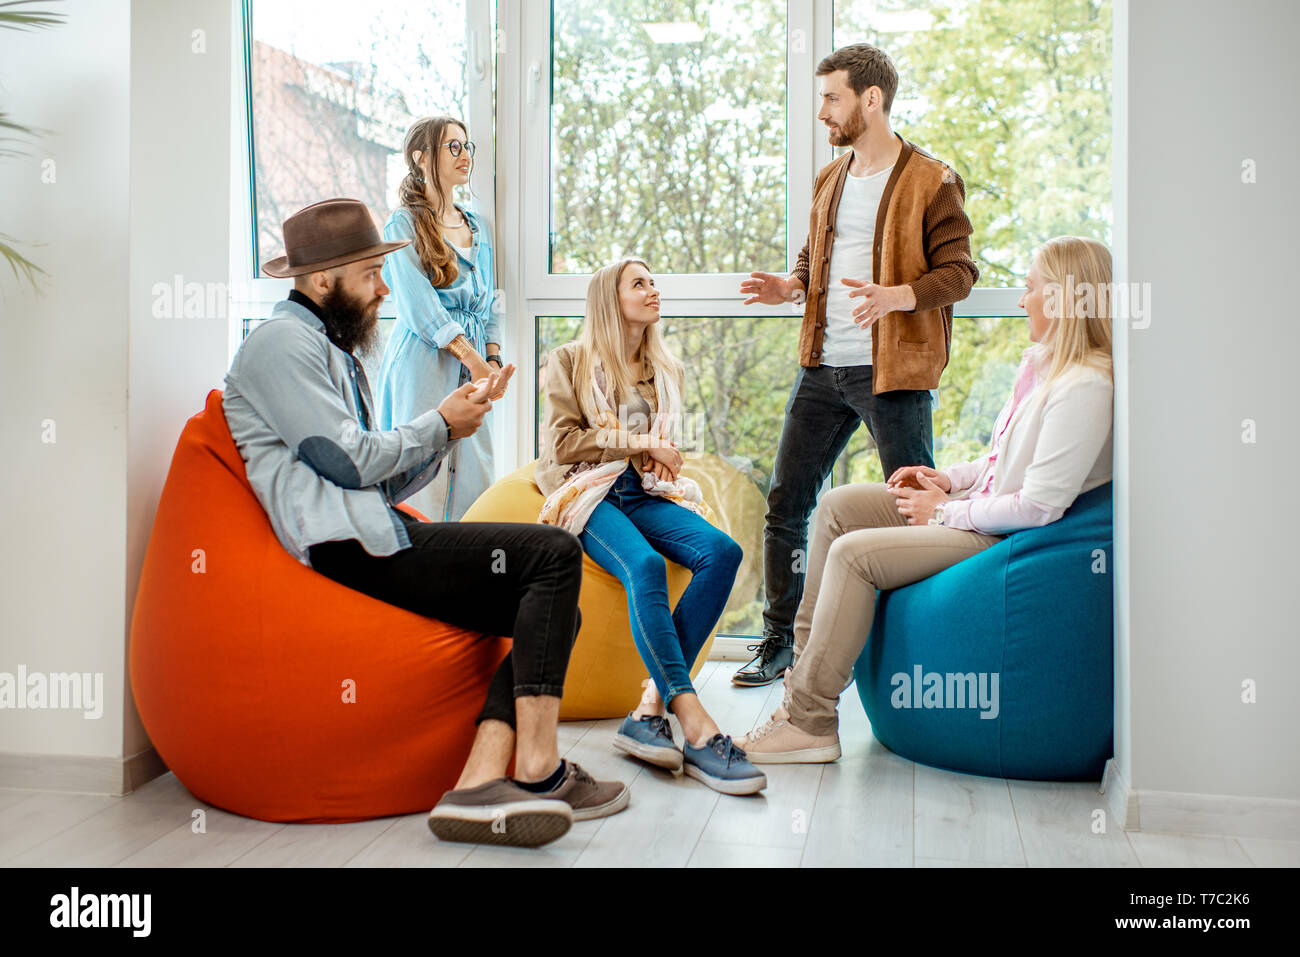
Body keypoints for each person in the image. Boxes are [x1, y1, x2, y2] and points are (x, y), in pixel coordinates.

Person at [222, 198, 628, 848]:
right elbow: (347, 463)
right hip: (345, 546)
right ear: (322, 279)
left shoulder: (327, 349)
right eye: (370, 275)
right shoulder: (279, 344)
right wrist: (438, 422)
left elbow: (378, 477)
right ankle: (538, 768)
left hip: (369, 531)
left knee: (558, 611)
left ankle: (476, 784)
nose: (385, 288)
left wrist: (450, 426)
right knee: (551, 553)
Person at [734, 236, 1115, 761]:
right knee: (838, 506)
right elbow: (996, 463)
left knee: (854, 554)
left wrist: (944, 512)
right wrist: (945, 480)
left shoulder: (1087, 387)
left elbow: (1039, 508)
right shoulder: (1043, 368)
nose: (1021, 300)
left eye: (1030, 289)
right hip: (975, 510)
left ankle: (810, 722)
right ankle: (801, 687)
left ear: (1065, 298)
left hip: (999, 537)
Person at [734, 43, 979, 687]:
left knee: (912, 508)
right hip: (822, 365)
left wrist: (898, 295)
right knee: (788, 502)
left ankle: (910, 648)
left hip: (892, 372)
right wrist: (790, 288)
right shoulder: (830, 179)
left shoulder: (933, 179)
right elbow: (813, 261)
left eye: (832, 97)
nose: (823, 112)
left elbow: (961, 273)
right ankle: (781, 641)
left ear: (871, 99)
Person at [535, 259, 766, 795]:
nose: (653, 290)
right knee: (644, 565)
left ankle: (650, 707)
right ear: (609, 300)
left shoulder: (665, 369)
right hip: (589, 492)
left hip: (642, 492)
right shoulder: (570, 360)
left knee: (722, 552)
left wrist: (663, 458)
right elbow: (563, 445)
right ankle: (696, 724)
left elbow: (662, 443)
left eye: (654, 281)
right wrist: (640, 444)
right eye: (639, 283)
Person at [376, 115, 502, 522]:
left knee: (475, 479)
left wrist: (493, 361)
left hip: (476, 364)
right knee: (421, 477)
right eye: (453, 146)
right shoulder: (403, 224)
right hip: (422, 363)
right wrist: (472, 357)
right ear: (421, 157)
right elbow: (419, 307)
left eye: (467, 146)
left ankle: (466, 579)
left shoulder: (478, 226)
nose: (464, 154)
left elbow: (490, 305)